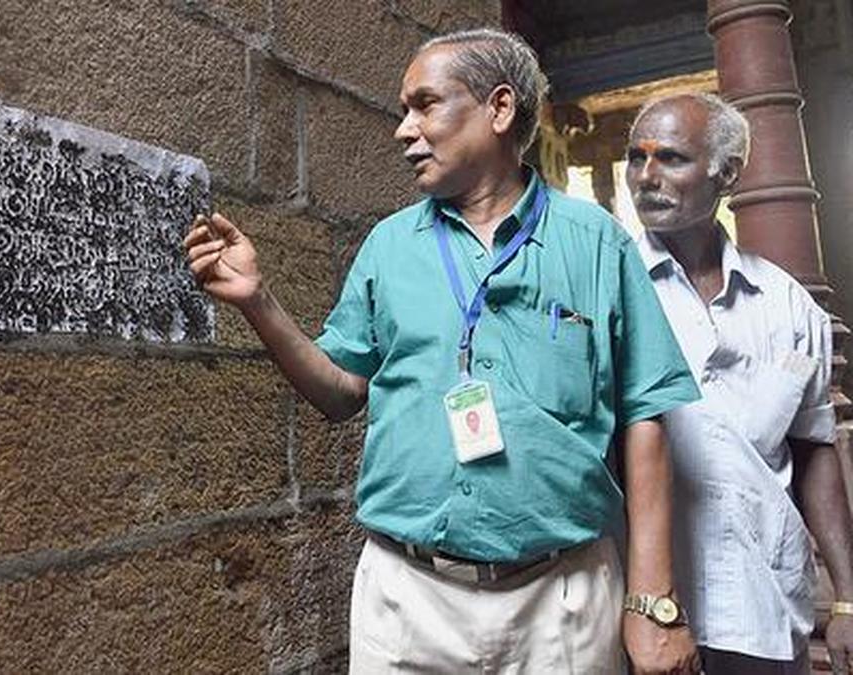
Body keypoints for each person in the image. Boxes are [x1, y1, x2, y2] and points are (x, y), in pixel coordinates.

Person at [186, 28, 701, 674]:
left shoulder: (597, 243)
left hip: (562, 599)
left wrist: (653, 602)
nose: (404, 129)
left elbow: (646, 419)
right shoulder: (388, 246)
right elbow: (341, 390)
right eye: (405, 110)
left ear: (500, 108)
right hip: (407, 597)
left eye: (425, 105)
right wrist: (258, 300)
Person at [625, 92, 853, 675]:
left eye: (670, 158)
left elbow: (813, 449)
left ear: (726, 173)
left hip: (765, 606)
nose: (646, 176)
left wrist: (848, 596)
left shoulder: (787, 305)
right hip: (648, 611)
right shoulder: (611, 290)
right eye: (636, 157)